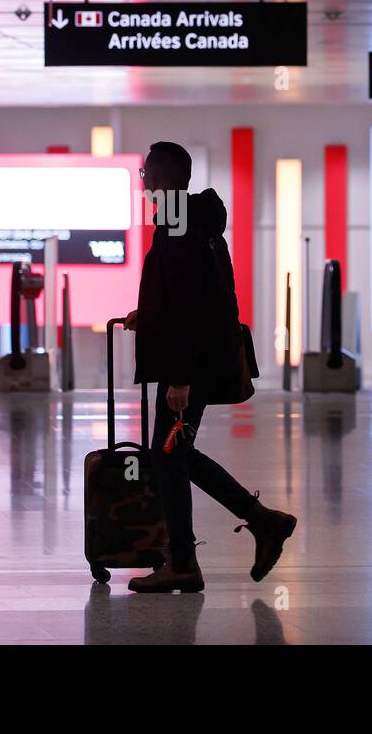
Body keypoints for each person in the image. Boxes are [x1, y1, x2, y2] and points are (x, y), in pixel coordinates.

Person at [123, 141, 297, 593]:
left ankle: (185, 561)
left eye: (145, 177)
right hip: (199, 358)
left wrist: (179, 377)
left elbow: (191, 306)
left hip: (190, 366)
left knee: (168, 455)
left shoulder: (177, 224)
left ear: (158, 180)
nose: (143, 185)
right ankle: (262, 521)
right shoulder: (195, 221)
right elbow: (194, 292)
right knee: (173, 454)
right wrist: (151, 312)